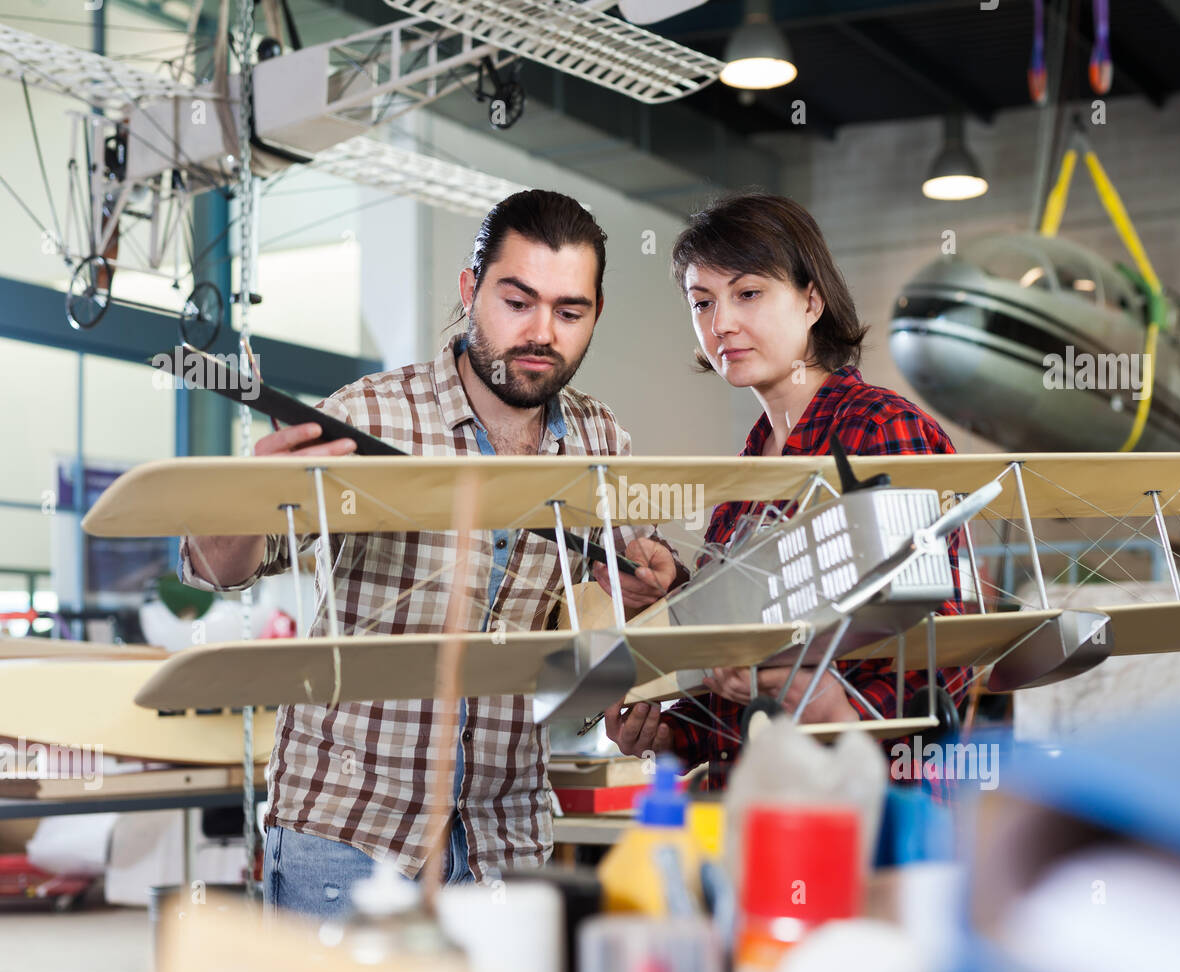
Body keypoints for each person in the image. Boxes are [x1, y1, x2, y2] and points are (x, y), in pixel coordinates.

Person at [182, 190, 684, 918]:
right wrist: (247, 500)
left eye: (569, 312)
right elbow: (222, 568)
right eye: (518, 300)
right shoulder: (371, 413)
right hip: (352, 826)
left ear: (595, 315)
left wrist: (647, 580)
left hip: (504, 833)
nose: (542, 330)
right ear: (469, 289)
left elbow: (608, 588)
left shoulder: (602, 440)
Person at [602, 192, 967, 790]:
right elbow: (736, 689)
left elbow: (951, 636)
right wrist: (671, 734)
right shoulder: (746, 476)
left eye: (747, 293)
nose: (721, 324)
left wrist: (841, 711)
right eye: (702, 302)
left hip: (859, 808)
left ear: (811, 301)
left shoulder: (880, 430)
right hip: (751, 814)